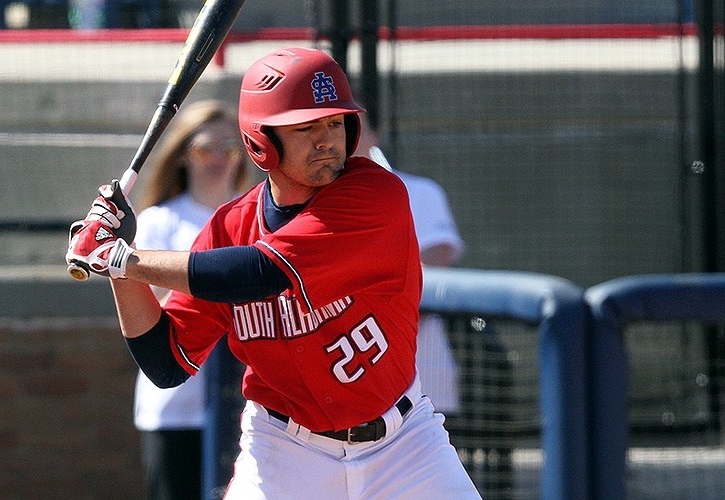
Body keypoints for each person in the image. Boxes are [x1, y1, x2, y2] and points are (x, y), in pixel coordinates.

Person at [66, 47, 480, 498]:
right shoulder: (230, 227)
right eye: (306, 127)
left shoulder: (374, 194)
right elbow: (165, 363)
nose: (327, 140)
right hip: (283, 451)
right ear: (261, 141)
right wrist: (119, 270)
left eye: (335, 122)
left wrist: (122, 258)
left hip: (403, 447)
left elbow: (257, 272)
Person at [131, 100, 252, 500]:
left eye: (231, 149)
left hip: (246, 406)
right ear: (183, 155)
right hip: (175, 405)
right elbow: (159, 306)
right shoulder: (158, 221)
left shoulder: (253, 217)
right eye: (205, 149)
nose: (219, 159)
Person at [354, 113, 465, 414]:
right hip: (348, 395)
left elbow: (431, 276)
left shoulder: (420, 192)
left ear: (374, 134)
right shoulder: (306, 202)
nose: (345, 138)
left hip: (424, 386)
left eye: (354, 125)